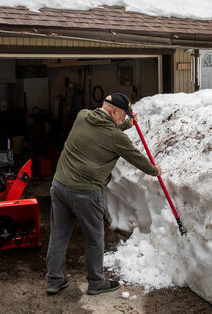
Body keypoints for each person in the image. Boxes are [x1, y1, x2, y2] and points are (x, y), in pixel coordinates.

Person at [46, 93, 161, 295]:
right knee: (94, 239)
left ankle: (54, 281)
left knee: (58, 236)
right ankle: (96, 283)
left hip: (60, 186)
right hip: (86, 193)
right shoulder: (116, 138)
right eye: (122, 116)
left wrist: (125, 125)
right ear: (114, 110)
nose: (123, 119)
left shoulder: (82, 116)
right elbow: (136, 158)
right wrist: (155, 170)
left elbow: (102, 131)